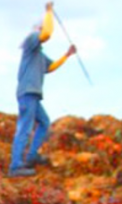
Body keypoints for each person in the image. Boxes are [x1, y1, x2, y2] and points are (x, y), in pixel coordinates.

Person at [9, 2, 76, 177]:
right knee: (24, 127)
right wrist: (48, 12)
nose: (42, 32)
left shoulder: (39, 53)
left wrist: (66, 56)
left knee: (44, 122)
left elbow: (51, 67)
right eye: (41, 29)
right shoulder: (30, 41)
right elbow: (47, 33)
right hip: (27, 93)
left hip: (34, 94)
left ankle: (31, 156)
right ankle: (15, 166)